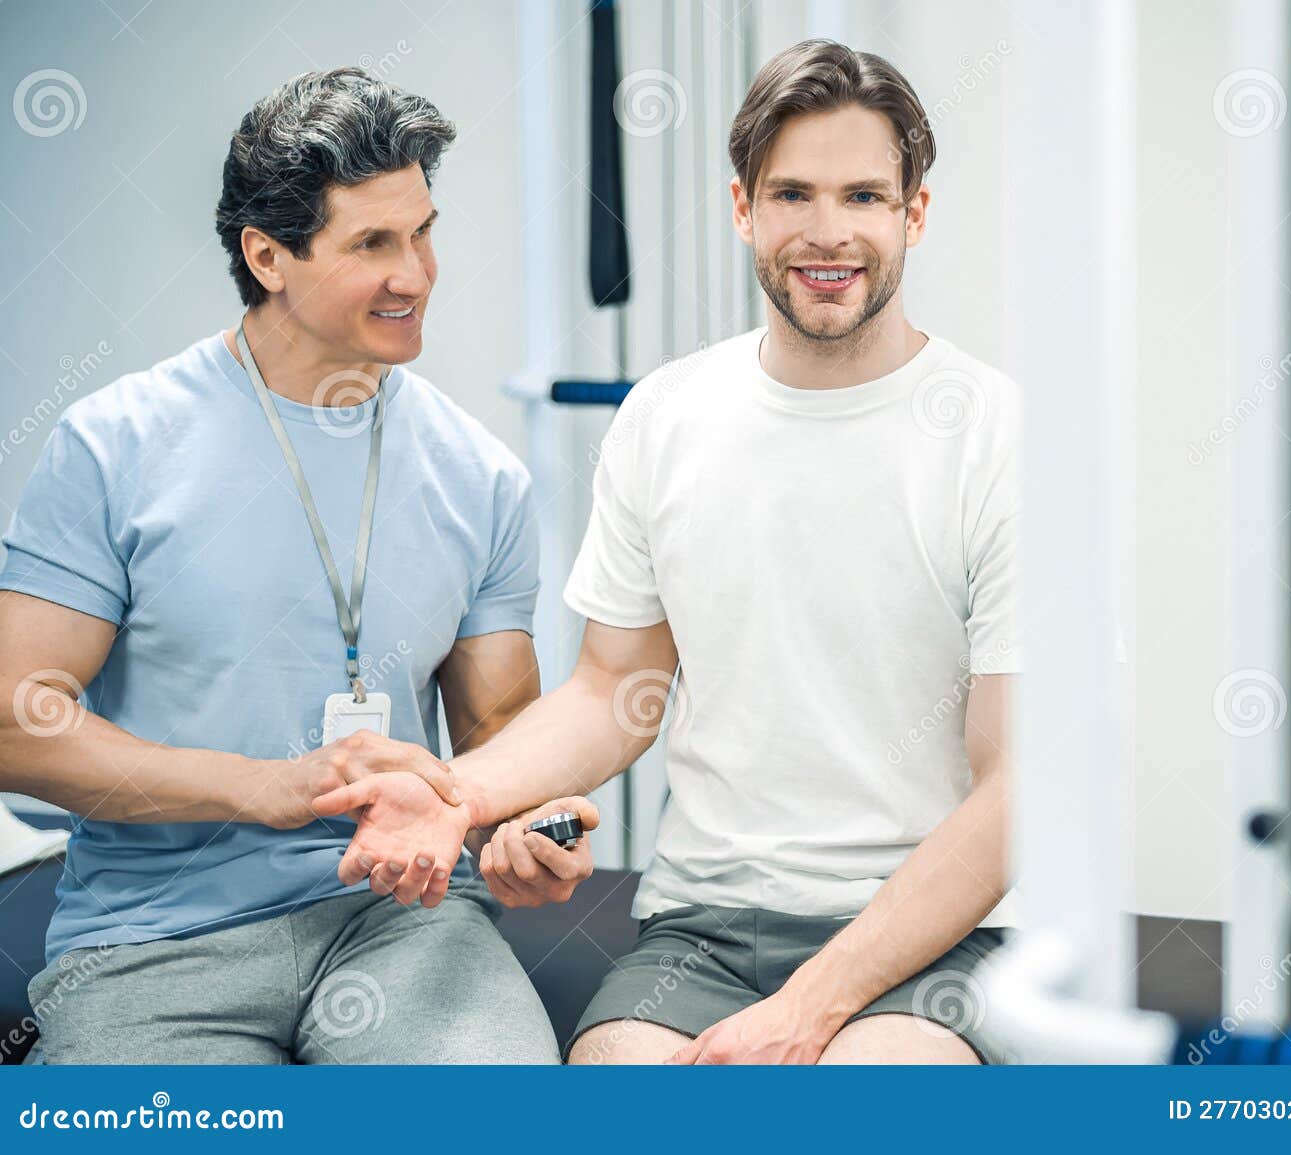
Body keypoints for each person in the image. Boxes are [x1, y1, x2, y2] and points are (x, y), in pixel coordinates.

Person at [324, 39, 1022, 1065]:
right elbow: (613, 689)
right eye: (792, 194)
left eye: (864, 196)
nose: (827, 233)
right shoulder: (668, 414)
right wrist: (455, 793)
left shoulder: (998, 433)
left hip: (937, 935)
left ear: (913, 214)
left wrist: (809, 1008)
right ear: (743, 208)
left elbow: (1019, 788)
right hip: (706, 925)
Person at [0, 68, 589, 1065]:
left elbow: (498, 745)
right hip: (153, 944)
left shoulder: (480, 476)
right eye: (372, 245)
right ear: (267, 255)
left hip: (399, 923)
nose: (416, 274)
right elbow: (16, 721)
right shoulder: (114, 445)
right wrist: (260, 787)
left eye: (423, 232)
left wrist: (532, 828)